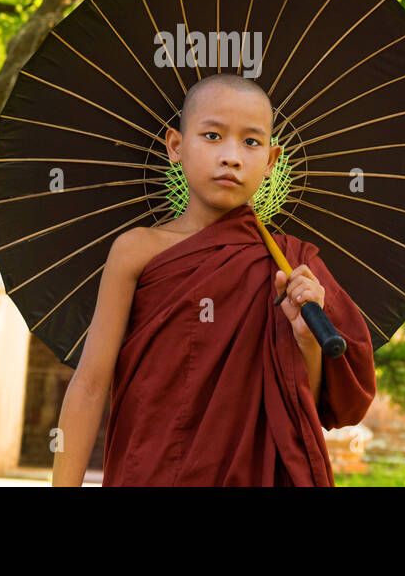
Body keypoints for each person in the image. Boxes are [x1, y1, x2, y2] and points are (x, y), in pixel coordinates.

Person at [51, 70, 377, 486]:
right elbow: (91, 384)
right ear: (175, 146)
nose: (232, 156)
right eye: (212, 136)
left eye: (251, 142)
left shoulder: (292, 266)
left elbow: (300, 409)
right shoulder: (137, 250)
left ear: (272, 161)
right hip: (153, 473)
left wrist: (306, 340)